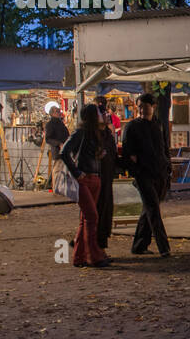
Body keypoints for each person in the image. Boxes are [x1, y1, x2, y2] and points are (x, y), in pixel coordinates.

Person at [60, 104, 111, 268]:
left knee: (86, 219)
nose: (102, 115)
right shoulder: (80, 133)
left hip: (94, 177)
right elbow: (64, 152)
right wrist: (76, 172)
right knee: (91, 217)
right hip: (84, 178)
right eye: (98, 113)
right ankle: (93, 256)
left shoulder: (95, 134)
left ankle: (79, 257)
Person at [120, 92, 171, 256]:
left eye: (145, 106)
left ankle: (139, 245)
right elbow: (128, 151)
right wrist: (135, 168)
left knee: (149, 209)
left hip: (159, 172)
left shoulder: (159, 125)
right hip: (143, 173)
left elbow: (164, 147)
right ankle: (164, 247)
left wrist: (167, 166)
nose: (142, 109)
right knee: (153, 208)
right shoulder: (132, 126)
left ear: (153, 106)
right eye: (140, 106)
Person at [92, 97, 119, 250]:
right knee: (97, 212)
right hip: (96, 178)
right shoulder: (89, 134)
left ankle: (100, 245)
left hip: (107, 177)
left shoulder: (107, 134)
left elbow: (113, 153)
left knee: (105, 211)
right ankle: (91, 245)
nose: (106, 116)